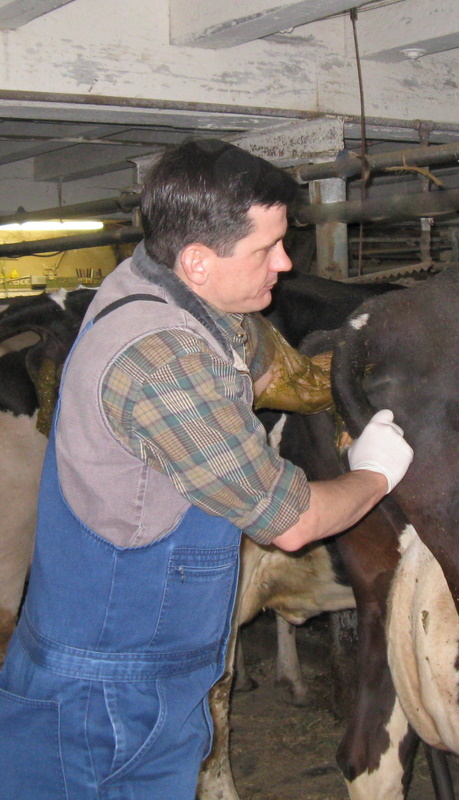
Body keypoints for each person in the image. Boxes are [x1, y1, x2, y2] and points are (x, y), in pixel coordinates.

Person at [0, 139, 413, 799]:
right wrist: (375, 473)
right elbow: (293, 522)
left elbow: (250, 350)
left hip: (114, 672)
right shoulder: (167, 362)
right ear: (196, 259)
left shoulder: (138, 284)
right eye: (266, 249)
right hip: (113, 695)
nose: (285, 263)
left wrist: (323, 382)